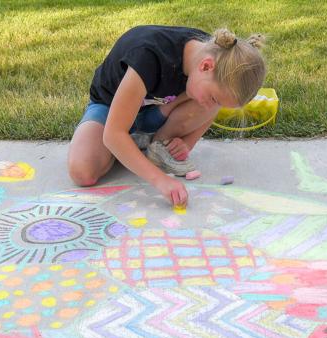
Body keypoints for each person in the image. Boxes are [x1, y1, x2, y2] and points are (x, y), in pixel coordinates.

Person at [67, 25, 266, 207]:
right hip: (109, 109)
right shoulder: (148, 56)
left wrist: (187, 143)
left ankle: (154, 145)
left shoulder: (217, 56)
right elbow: (113, 134)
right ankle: (131, 146)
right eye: (214, 98)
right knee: (83, 172)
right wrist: (160, 180)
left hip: (157, 111)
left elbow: (210, 103)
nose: (211, 107)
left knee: (204, 100)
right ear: (206, 66)